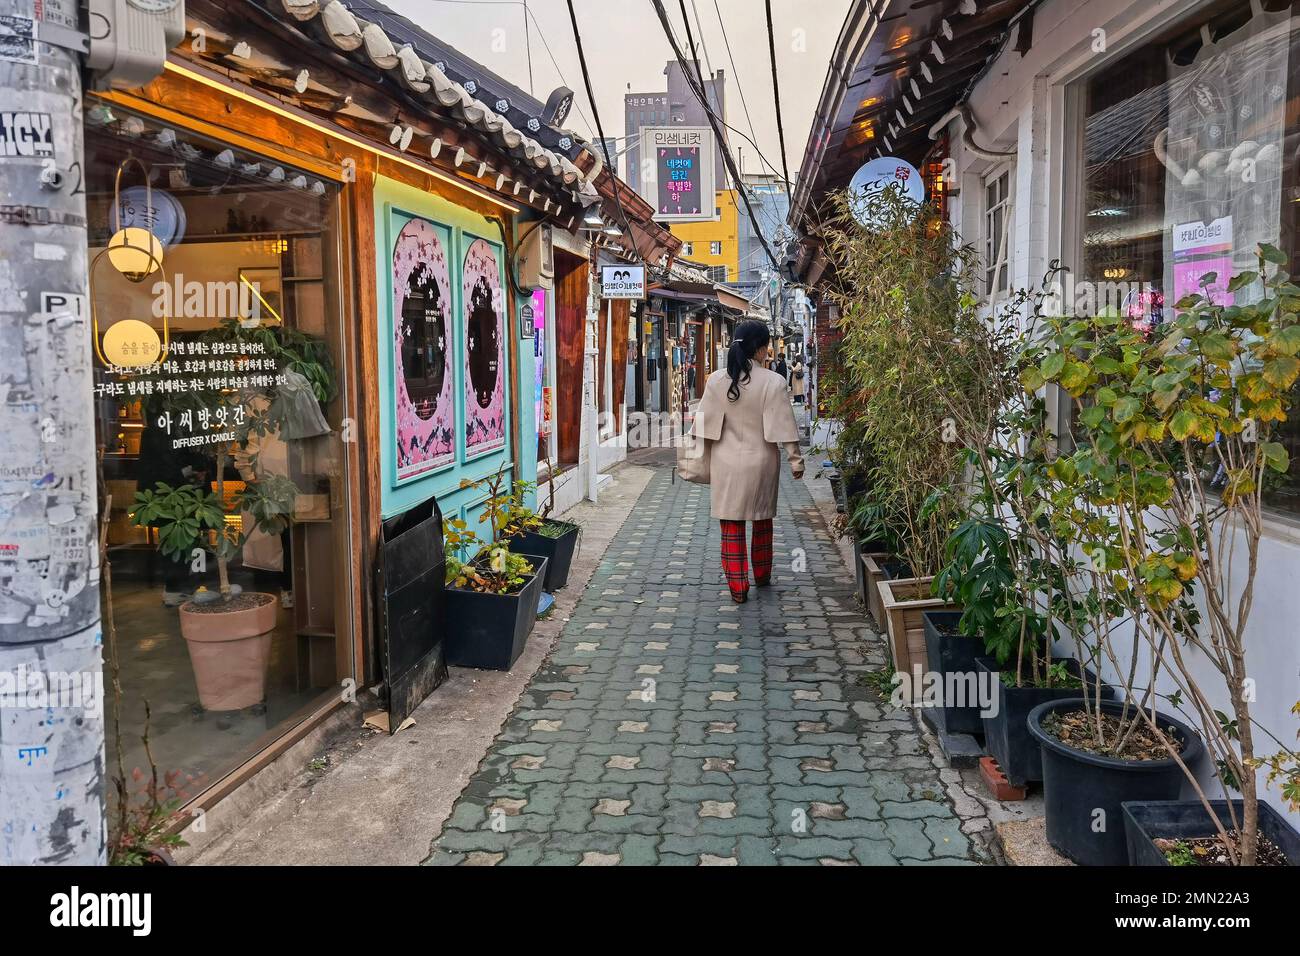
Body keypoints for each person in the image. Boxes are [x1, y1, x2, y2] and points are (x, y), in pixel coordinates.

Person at [691, 319, 804, 603]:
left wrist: (693, 457)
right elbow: (784, 426)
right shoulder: (774, 381)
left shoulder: (717, 380)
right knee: (762, 520)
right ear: (762, 348)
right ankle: (762, 574)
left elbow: (702, 425)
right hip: (763, 460)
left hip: (726, 462)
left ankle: (738, 588)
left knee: (731, 525)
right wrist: (795, 461)